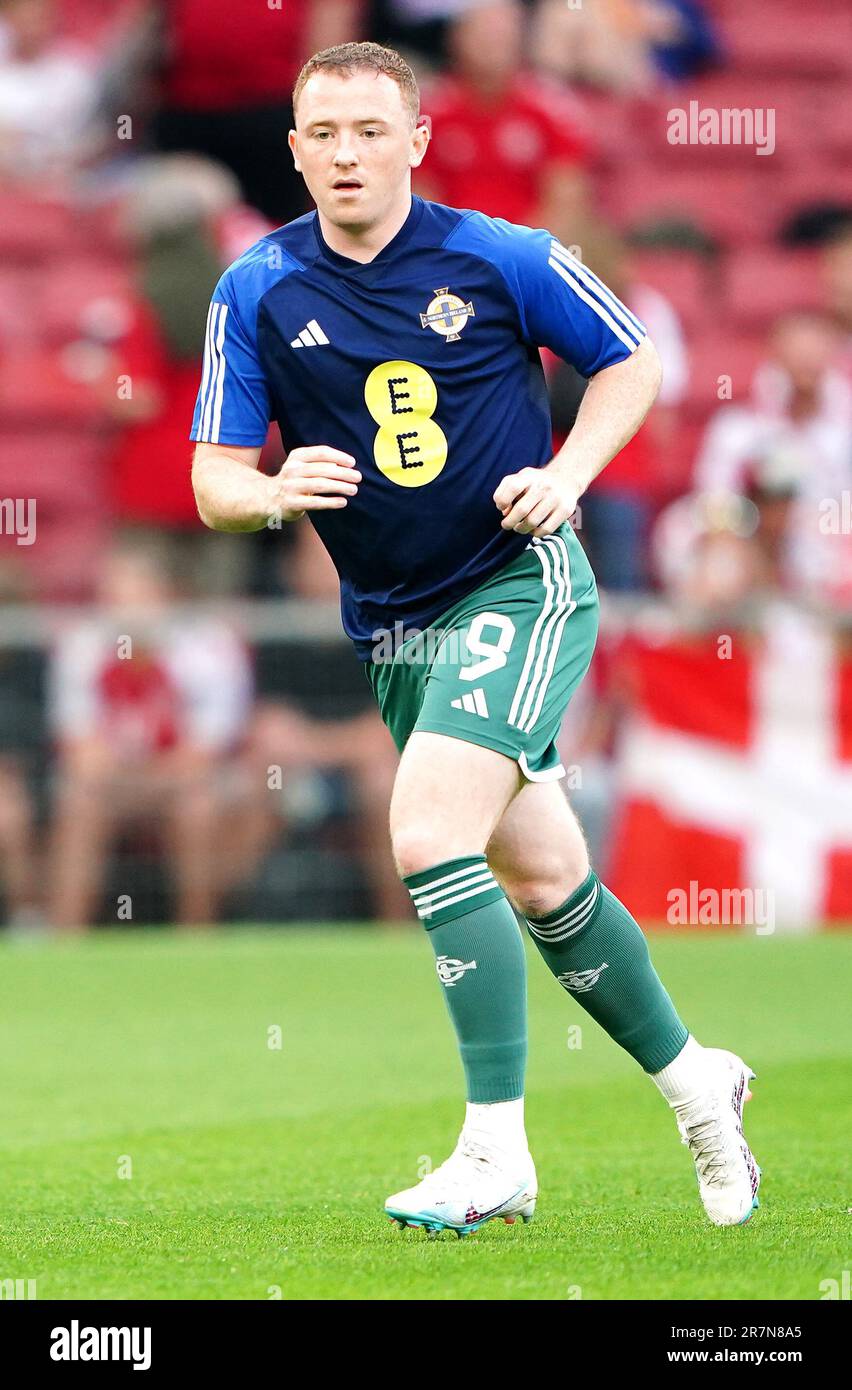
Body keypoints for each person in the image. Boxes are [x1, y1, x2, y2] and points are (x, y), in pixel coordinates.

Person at [190, 41, 760, 1235]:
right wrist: (276, 486)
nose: (345, 153)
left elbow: (633, 359)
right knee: (546, 879)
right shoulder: (253, 288)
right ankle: (696, 1076)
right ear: (292, 148)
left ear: (416, 141)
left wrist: (569, 471)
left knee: (425, 828)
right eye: (322, 134)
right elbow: (210, 484)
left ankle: (495, 1150)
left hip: (517, 582)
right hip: (393, 625)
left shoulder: (501, 254)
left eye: (367, 130)